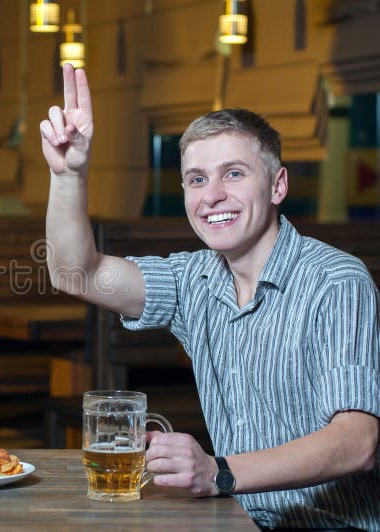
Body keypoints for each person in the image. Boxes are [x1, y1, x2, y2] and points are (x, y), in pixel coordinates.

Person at [41, 64, 379, 530]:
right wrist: (68, 175)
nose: (212, 196)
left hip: (331, 525)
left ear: (278, 185)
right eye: (197, 179)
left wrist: (219, 472)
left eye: (233, 174)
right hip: (237, 519)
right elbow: (77, 274)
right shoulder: (194, 278)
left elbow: (357, 442)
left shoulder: (336, 281)